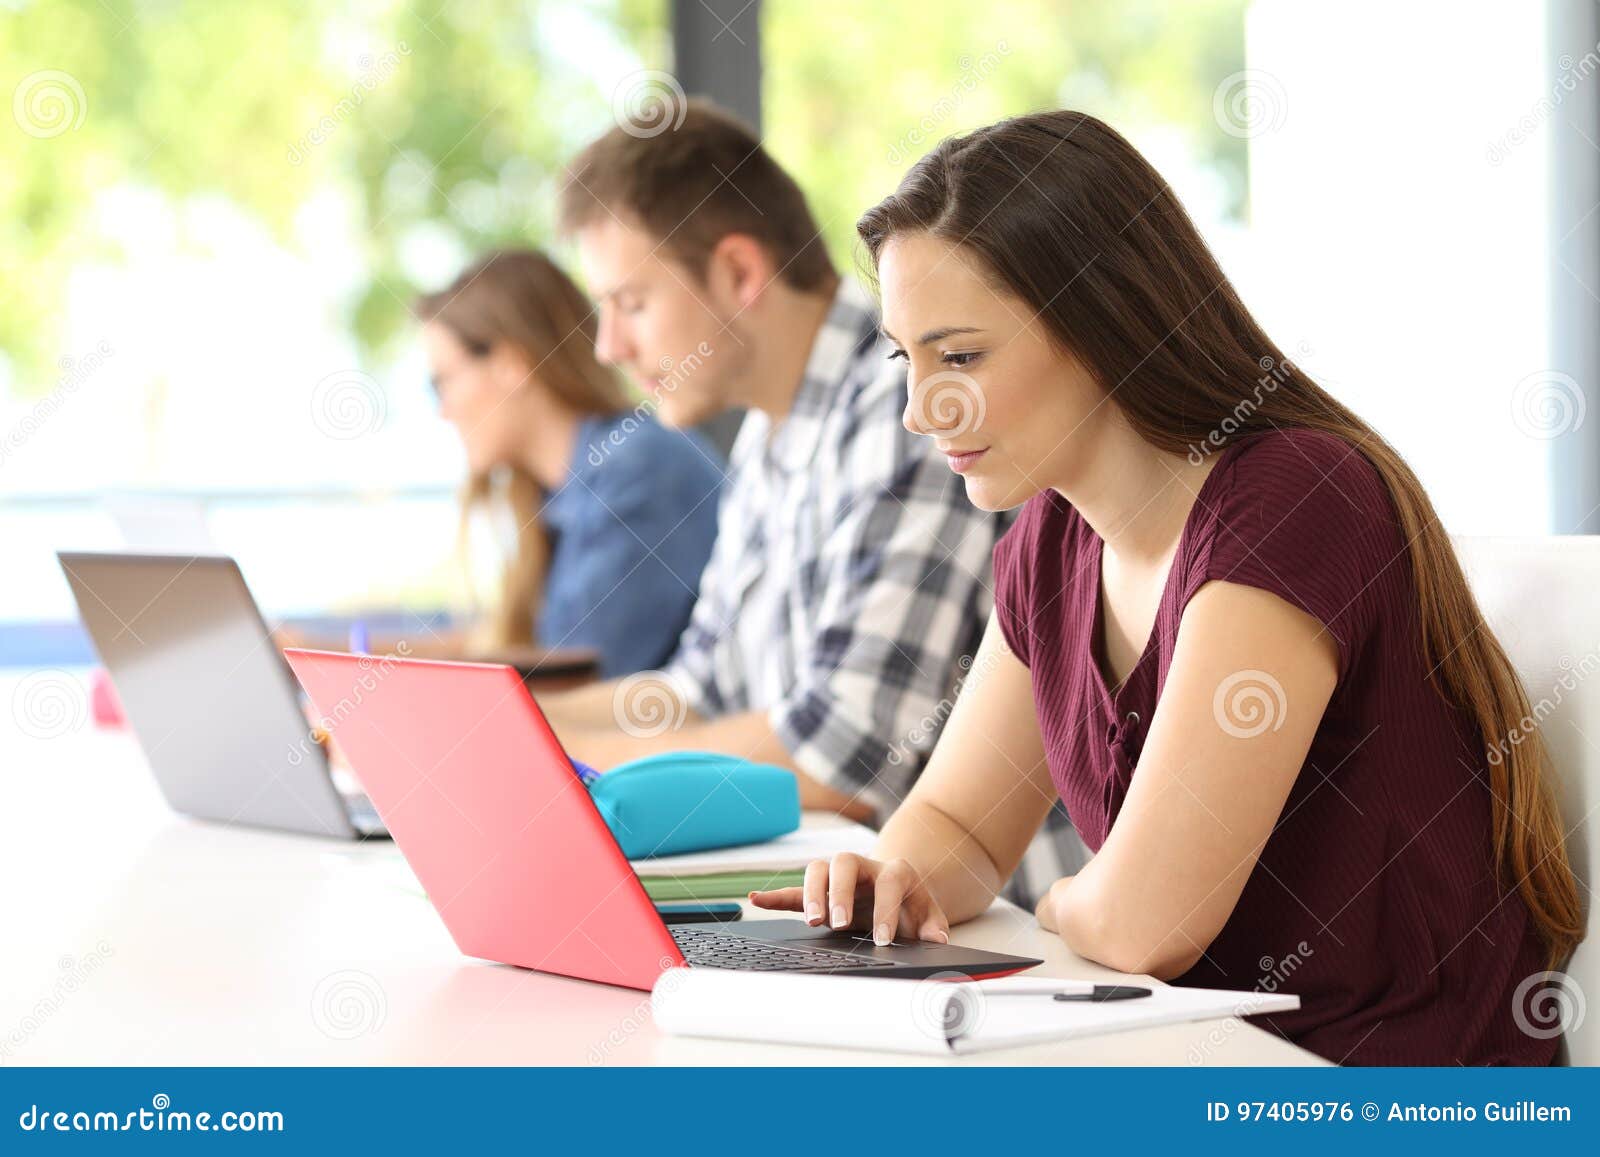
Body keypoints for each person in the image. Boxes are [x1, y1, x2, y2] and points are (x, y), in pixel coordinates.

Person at [752, 109, 1583, 1065]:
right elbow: (959, 826)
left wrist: (1061, 901)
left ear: (1102, 323)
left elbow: (1148, 925)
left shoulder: (1290, 501)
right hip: (1198, 1053)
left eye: (963, 356)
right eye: (908, 357)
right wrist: (893, 875)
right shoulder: (1048, 541)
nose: (916, 408)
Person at [538, 100, 1087, 896]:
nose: (608, 347)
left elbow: (837, 759)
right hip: (876, 895)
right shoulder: (771, 436)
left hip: (1003, 922)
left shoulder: (906, 411)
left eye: (630, 303)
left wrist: (535, 751)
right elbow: (697, 690)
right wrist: (506, 726)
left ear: (738, 272)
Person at [413, 249, 723, 677]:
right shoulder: (558, 492)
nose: (442, 411)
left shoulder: (637, 471)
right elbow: (514, 649)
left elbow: (566, 679)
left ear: (511, 366)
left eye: (442, 382)